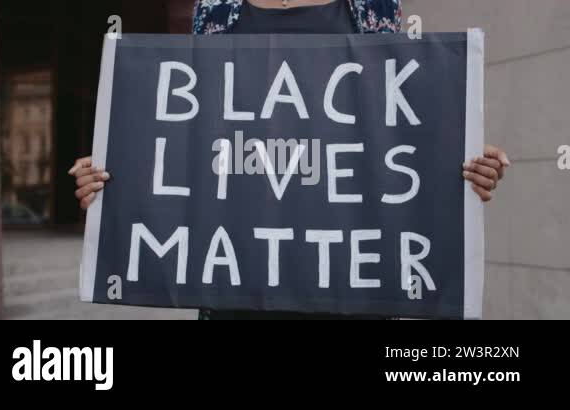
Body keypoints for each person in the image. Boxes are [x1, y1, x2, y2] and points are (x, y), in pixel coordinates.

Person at [69, 0, 510, 320]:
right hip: (237, 285)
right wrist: (118, 169)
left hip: (351, 287)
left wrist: (464, 169)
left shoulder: (375, 9)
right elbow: (194, 133)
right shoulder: (216, 13)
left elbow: (401, 129)